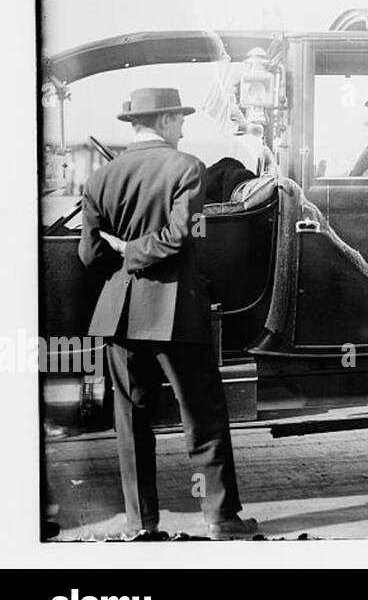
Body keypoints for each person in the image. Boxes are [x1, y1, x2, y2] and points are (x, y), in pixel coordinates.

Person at [77, 88, 257, 540]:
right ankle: (219, 520)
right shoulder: (186, 168)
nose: (183, 128)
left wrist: (124, 260)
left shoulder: (101, 178)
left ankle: (140, 524)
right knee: (202, 416)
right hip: (177, 312)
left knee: (131, 421)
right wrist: (141, 251)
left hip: (119, 315)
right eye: (179, 119)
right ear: (161, 121)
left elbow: (89, 253)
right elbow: (183, 238)